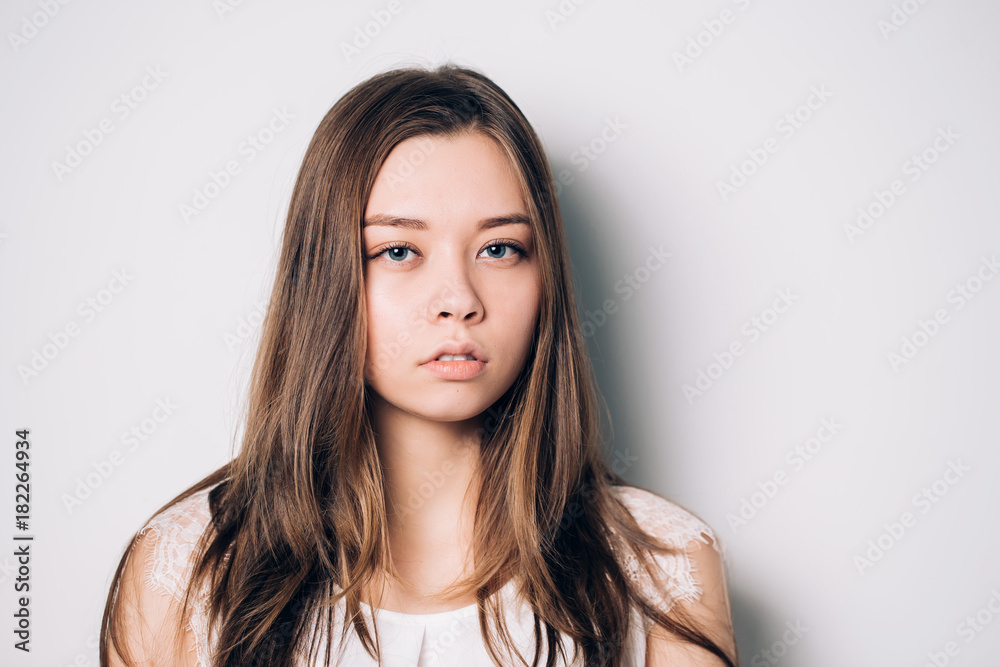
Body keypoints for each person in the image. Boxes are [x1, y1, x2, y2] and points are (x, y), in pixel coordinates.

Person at [100, 63, 738, 667]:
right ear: (324, 277)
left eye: (499, 248)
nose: (458, 299)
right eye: (400, 250)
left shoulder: (663, 568)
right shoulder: (186, 570)